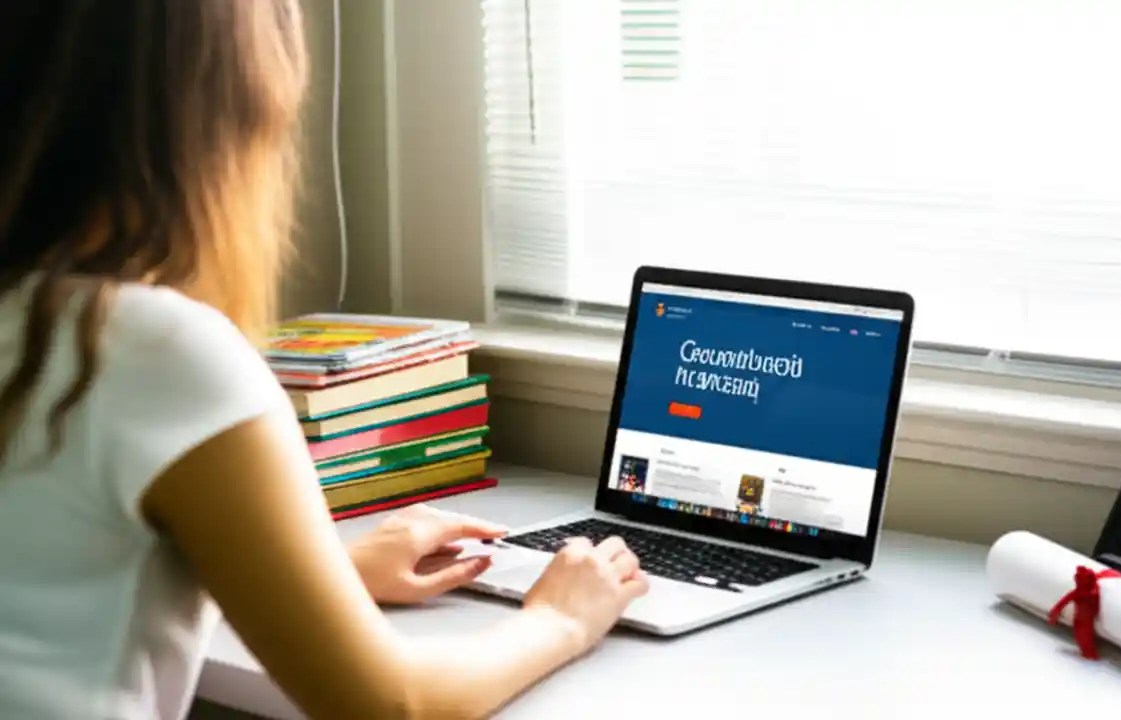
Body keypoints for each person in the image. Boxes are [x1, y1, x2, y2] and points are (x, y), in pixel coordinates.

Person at [0, 2, 647, 718]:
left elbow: (49, 581)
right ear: (224, 106)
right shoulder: (144, 350)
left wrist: (329, 574)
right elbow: (390, 705)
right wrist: (560, 619)